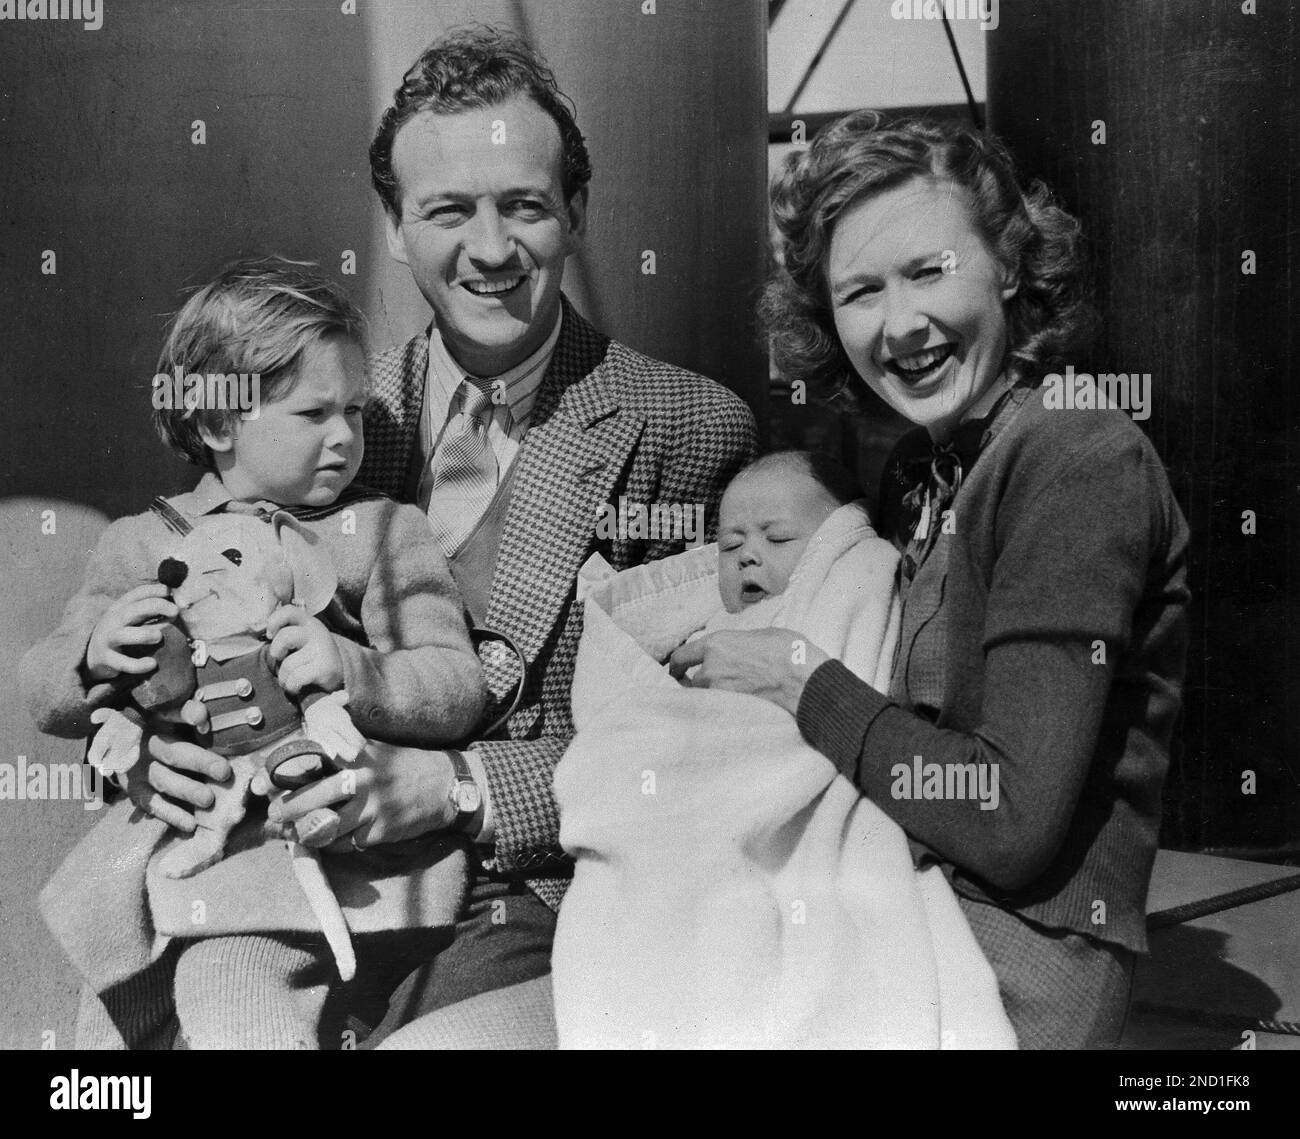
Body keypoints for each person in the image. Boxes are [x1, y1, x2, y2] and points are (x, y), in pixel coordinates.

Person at [123, 25, 758, 1037]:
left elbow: (708, 748)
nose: (491, 249)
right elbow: (165, 618)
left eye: (525, 206)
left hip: (542, 901)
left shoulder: (687, 427)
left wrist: (458, 786)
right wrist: (153, 751)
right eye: (449, 211)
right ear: (394, 227)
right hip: (290, 880)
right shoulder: (320, 418)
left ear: (578, 213)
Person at [671, 111, 1191, 1049]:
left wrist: (800, 679)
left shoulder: (1074, 455)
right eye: (860, 290)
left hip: (1014, 969)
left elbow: (1011, 820)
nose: (900, 324)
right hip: (904, 907)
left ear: (1010, 266)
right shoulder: (929, 468)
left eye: (929, 272)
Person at [21, 257, 487, 1048]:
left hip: (323, 846)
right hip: (174, 845)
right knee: (107, 1023)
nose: (346, 437)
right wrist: (96, 655)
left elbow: (456, 681)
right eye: (314, 413)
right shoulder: (143, 541)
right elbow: (44, 685)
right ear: (214, 423)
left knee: (231, 978)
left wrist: (354, 667)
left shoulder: (379, 529)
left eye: (357, 411)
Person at [714, 450, 861, 614]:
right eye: (731, 545)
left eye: (777, 538)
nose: (746, 555)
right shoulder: (705, 631)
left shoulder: (838, 618)